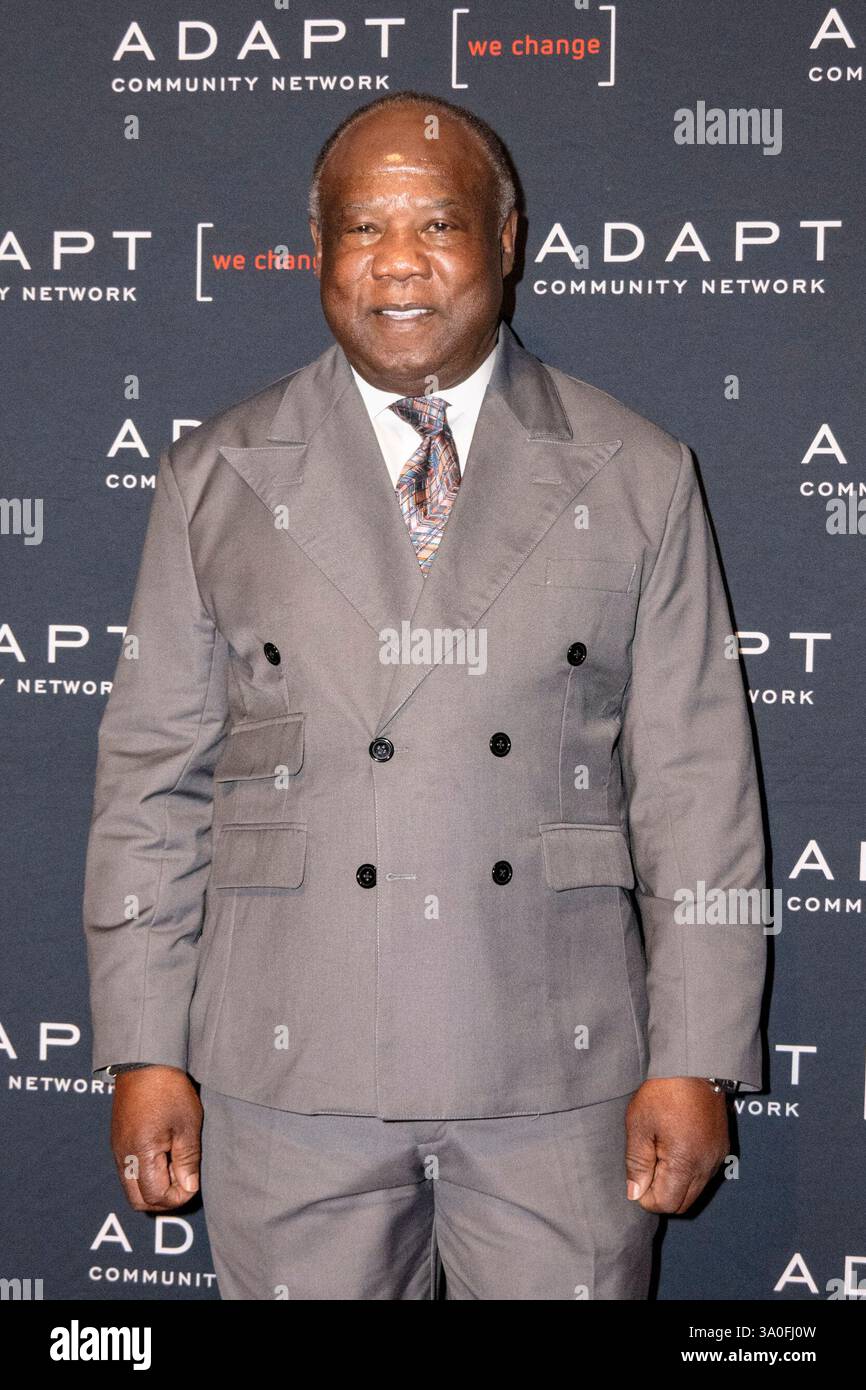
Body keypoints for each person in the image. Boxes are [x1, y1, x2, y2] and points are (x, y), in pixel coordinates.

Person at [82, 90, 767, 1300]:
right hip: (289, 1076)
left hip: (556, 1071)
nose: (397, 263)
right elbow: (153, 779)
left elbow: (694, 783)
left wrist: (698, 1059)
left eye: (436, 224)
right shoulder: (215, 475)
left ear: (504, 241)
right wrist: (142, 1047)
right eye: (362, 228)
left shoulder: (640, 473)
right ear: (318, 251)